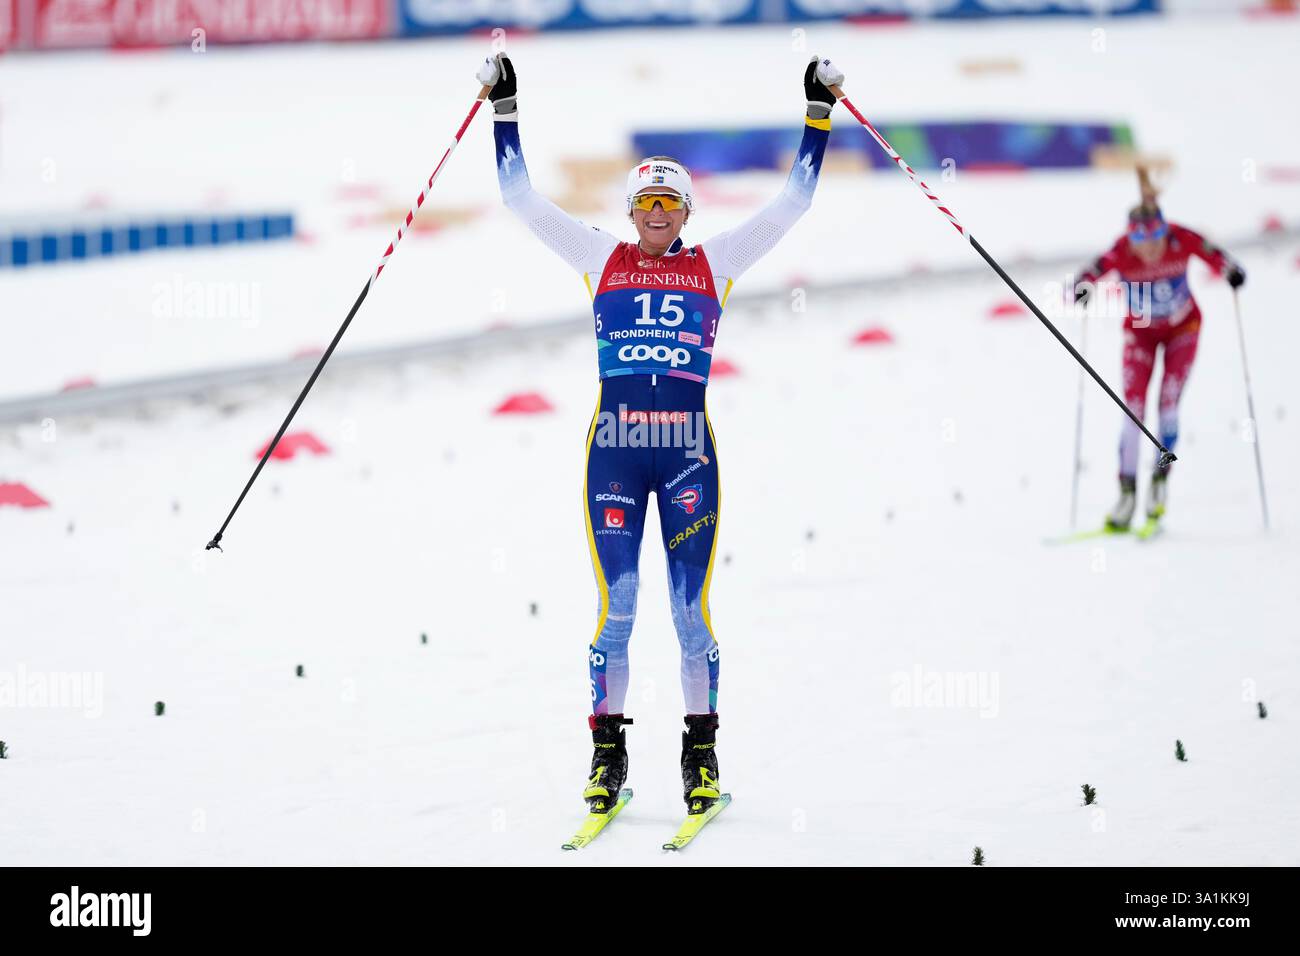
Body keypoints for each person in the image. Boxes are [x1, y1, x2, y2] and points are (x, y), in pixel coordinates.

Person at [476, 52, 843, 815]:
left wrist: (817, 112)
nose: (655, 214)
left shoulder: (716, 265)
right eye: (645, 202)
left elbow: (791, 206)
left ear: (684, 214)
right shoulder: (597, 258)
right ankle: (606, 757)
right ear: (631, 211)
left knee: (687, 613)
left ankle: (700, 757)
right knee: (619, 606)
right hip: (612, 455)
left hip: (686, 460)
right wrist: (504, 103)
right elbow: (518, 195)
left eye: (668, 204)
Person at [1074, 172, 1244, 530]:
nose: (1150, 249)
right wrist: (1081, 290)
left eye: (1156, 238)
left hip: (1184, 330)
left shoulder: (1181, 238)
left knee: (1168, 405)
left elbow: (1216, 255)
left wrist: (1231, 271)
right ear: (1131, 237)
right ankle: (1127, 493)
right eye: (1141, 240)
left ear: (1165, 231)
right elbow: (1086, 275)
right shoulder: (1121, 251)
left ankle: (1160, 482)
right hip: (1141, 336)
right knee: (1132, 410)